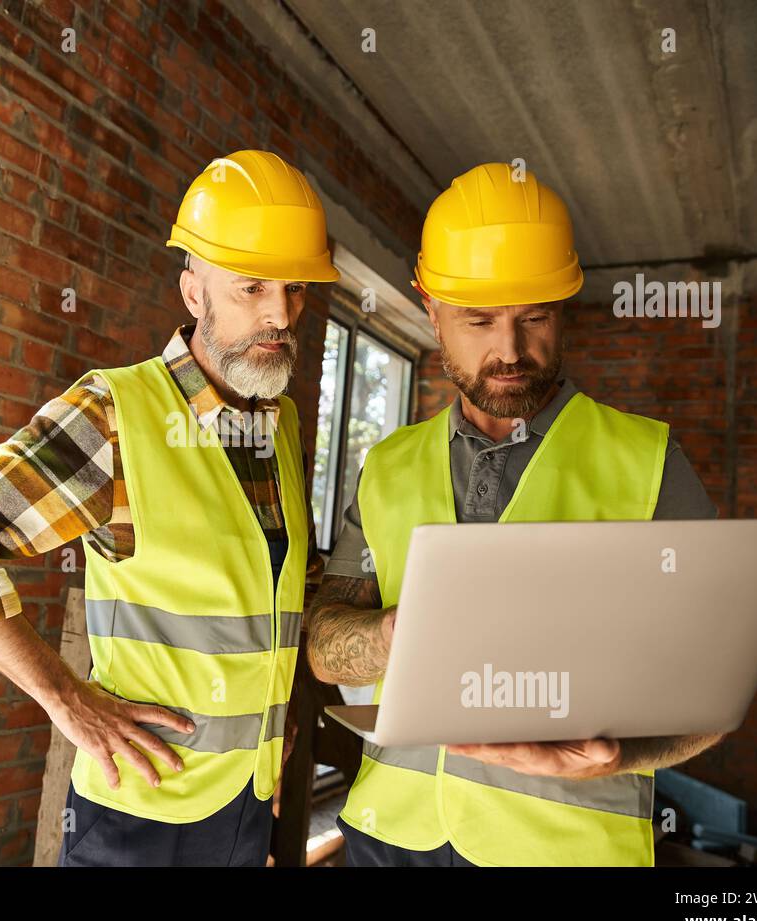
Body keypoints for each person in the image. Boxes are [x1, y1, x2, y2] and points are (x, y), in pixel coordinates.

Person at [0, 149, 338, 865]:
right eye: (251, 287)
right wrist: (66, 701)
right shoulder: (115, 414)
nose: (279, 315)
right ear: (194, 294)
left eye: (294, 291)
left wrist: (274, 724)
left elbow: (275, 593)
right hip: (142, 812)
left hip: (247, 802)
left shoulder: (277, 423)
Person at [306, 162, 723, 867]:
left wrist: (625, 754)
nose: (511, 350)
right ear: (429, 306)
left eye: (535, 317)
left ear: (564, 308)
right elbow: (323, 643)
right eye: (478, 321)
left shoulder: (649, 462)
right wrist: (393, 635)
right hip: (391, 838)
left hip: (566, 851)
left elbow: (714, 683)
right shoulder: (388, 466)